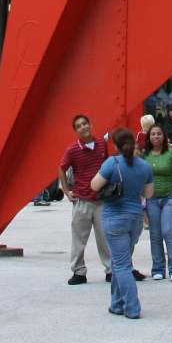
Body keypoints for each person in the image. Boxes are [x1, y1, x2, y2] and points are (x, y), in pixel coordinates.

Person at [91, 128, 154, 319]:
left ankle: (132, 307)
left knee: (121, 264)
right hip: (135, 218)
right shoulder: (145, 166)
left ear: (115, 145)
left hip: (114, 216)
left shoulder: (112, 163)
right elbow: (148, 194)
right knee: (120, 260)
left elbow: (94, 185)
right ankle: (117, 303)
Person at [58, 115, 114, 286]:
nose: (83, 127)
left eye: (84, 124)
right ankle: (78, 271)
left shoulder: (102, 144)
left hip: (101, 200)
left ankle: (110, 269)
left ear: (90, 124)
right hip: (82, 199)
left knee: (105, 237)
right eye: (79, 126)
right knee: (78, 238)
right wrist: (67, 192)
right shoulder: (73, 150)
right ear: (76, 131)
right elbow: (62, 168)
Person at [141, 123, 172, 282]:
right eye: (153, 134)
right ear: (148, 137)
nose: (156, 137)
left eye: (159, 134)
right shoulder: (144, 155)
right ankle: (158, 269)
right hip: (152, 199)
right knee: (155, 235)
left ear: (164, 136)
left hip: (170, 198)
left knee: (168, 232)